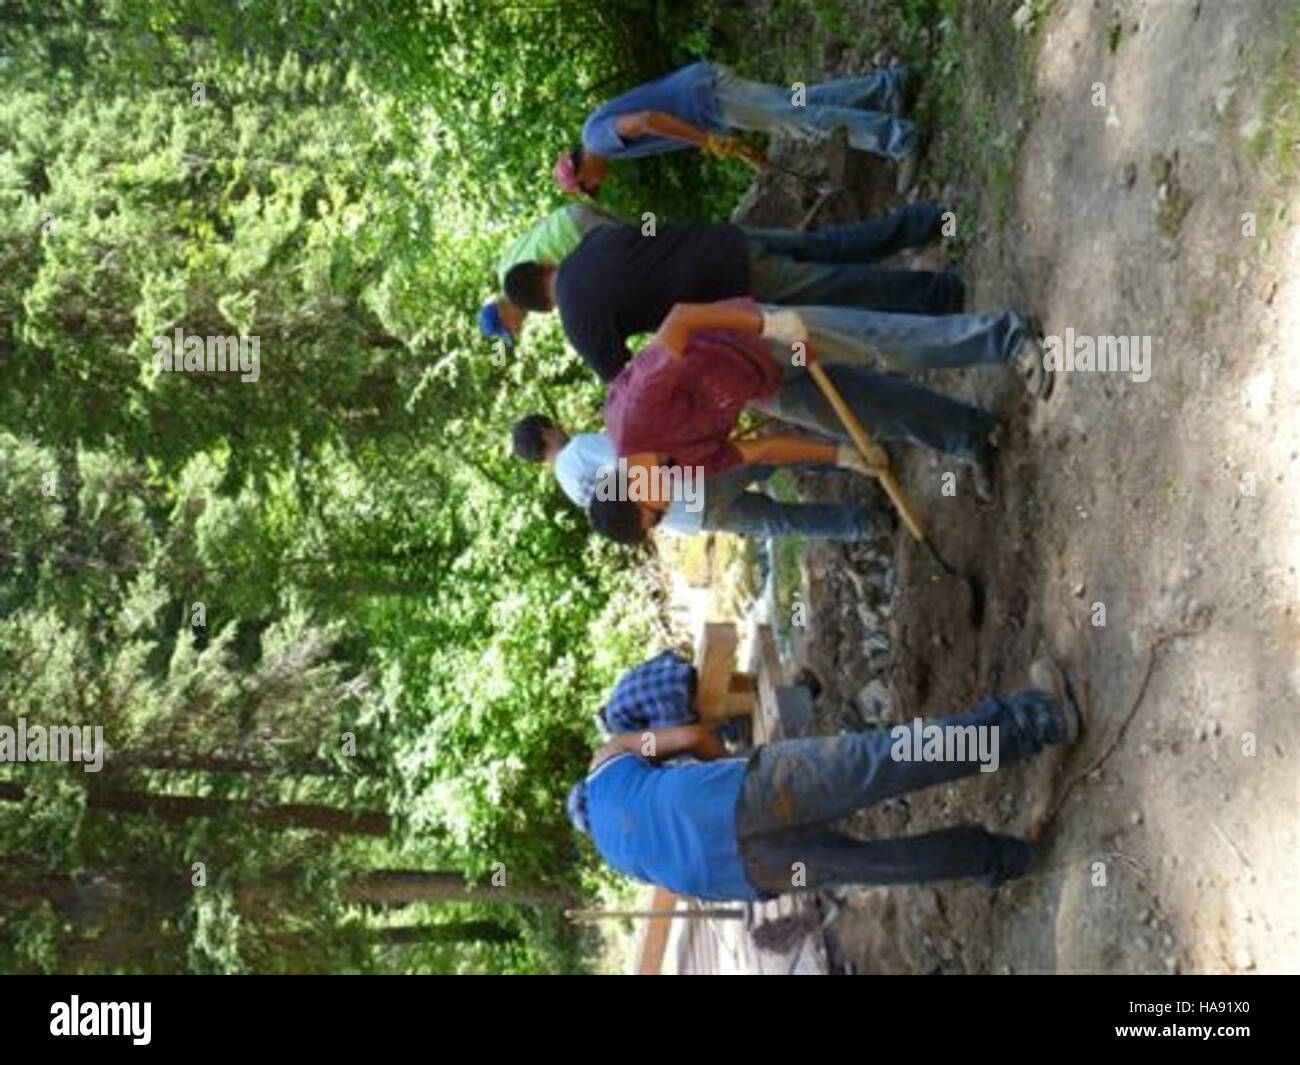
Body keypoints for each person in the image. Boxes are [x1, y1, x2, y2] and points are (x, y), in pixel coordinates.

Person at [565, 657, 1083, 901]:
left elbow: (683, 870)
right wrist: (723, 762)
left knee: (877, 865)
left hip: (753, 874)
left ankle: (1009, 860)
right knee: (887, 761)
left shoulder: (618, 858)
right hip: (742, 796)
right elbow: (683, 739)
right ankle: (1035, 722)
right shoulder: (606, 763)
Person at [589, 297, 1009, 543]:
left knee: (882, 345)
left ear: (635, 489)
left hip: (756, 337)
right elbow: (762, 451)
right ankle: (973, 434)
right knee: (868, 413)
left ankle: (1009, 337)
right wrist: (841, 455)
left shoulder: (636, 415)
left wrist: (767, 323)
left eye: (655, 515)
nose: (667, 511)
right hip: (758, 387)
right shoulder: (679, 472)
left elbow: (681, 318)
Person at [502, 208, 967, 381]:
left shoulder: (580, 325)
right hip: (724, 238)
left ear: (543, 309)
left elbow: (625, 378)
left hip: (730, 284)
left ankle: (941, 292)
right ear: (544, 263)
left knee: (839, 286)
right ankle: (928, 221)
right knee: (830, 244)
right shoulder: (592, 241)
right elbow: (651, 231)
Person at [554, 61, 919, 197]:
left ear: (583, 174)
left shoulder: (597, 140)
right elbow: (661, 124)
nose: (598, 186)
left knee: (802, 122)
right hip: (704, 93)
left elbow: (648, 120)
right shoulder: (598, 135)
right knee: (797, 103)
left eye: (590, 187)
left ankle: (900, 139)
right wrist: (730, 146)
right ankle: (888, 88)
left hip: (707, 99)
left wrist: (708, 140)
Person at [511, 414, 883, 542]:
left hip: (691, 517)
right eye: (554, 426)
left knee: (781, 521)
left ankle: (869, 524)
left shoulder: (572, 491)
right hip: (696, 481)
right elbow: (639, 457)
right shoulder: (579, 449)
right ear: (547, 432)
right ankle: (858, 457)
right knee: (770, 455)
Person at [478, 202, 623, 349]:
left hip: (579, 234)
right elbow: (534, 230)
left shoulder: (525, 291)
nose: (517, 331)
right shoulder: (503, 267)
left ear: (503, 315)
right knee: (641, 234)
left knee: (638, 253)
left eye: (509, 329)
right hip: (568, 214)